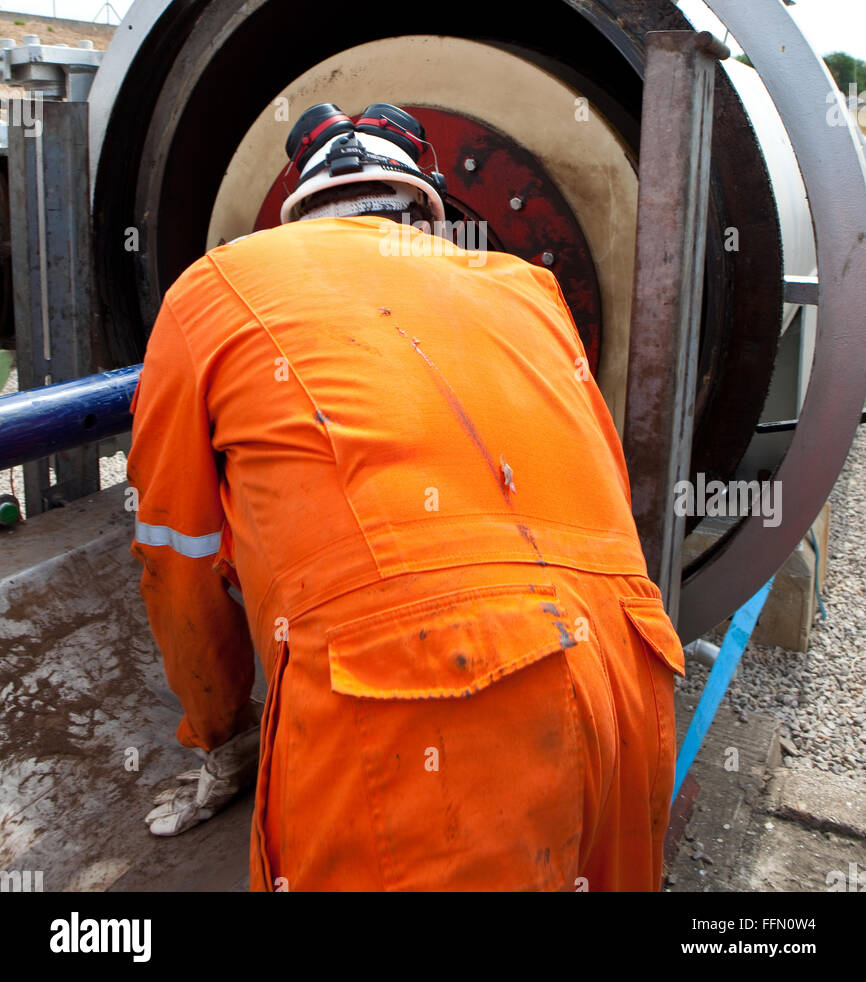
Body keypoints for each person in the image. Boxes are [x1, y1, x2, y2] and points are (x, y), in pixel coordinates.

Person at [126, 100, 683, 892]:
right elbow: (606, 496)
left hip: (419, 698)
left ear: (298, 205)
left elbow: (175, 555)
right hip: (632, 684)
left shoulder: (215, 287)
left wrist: (223, 731)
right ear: (428, 207)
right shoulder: (532, 291)